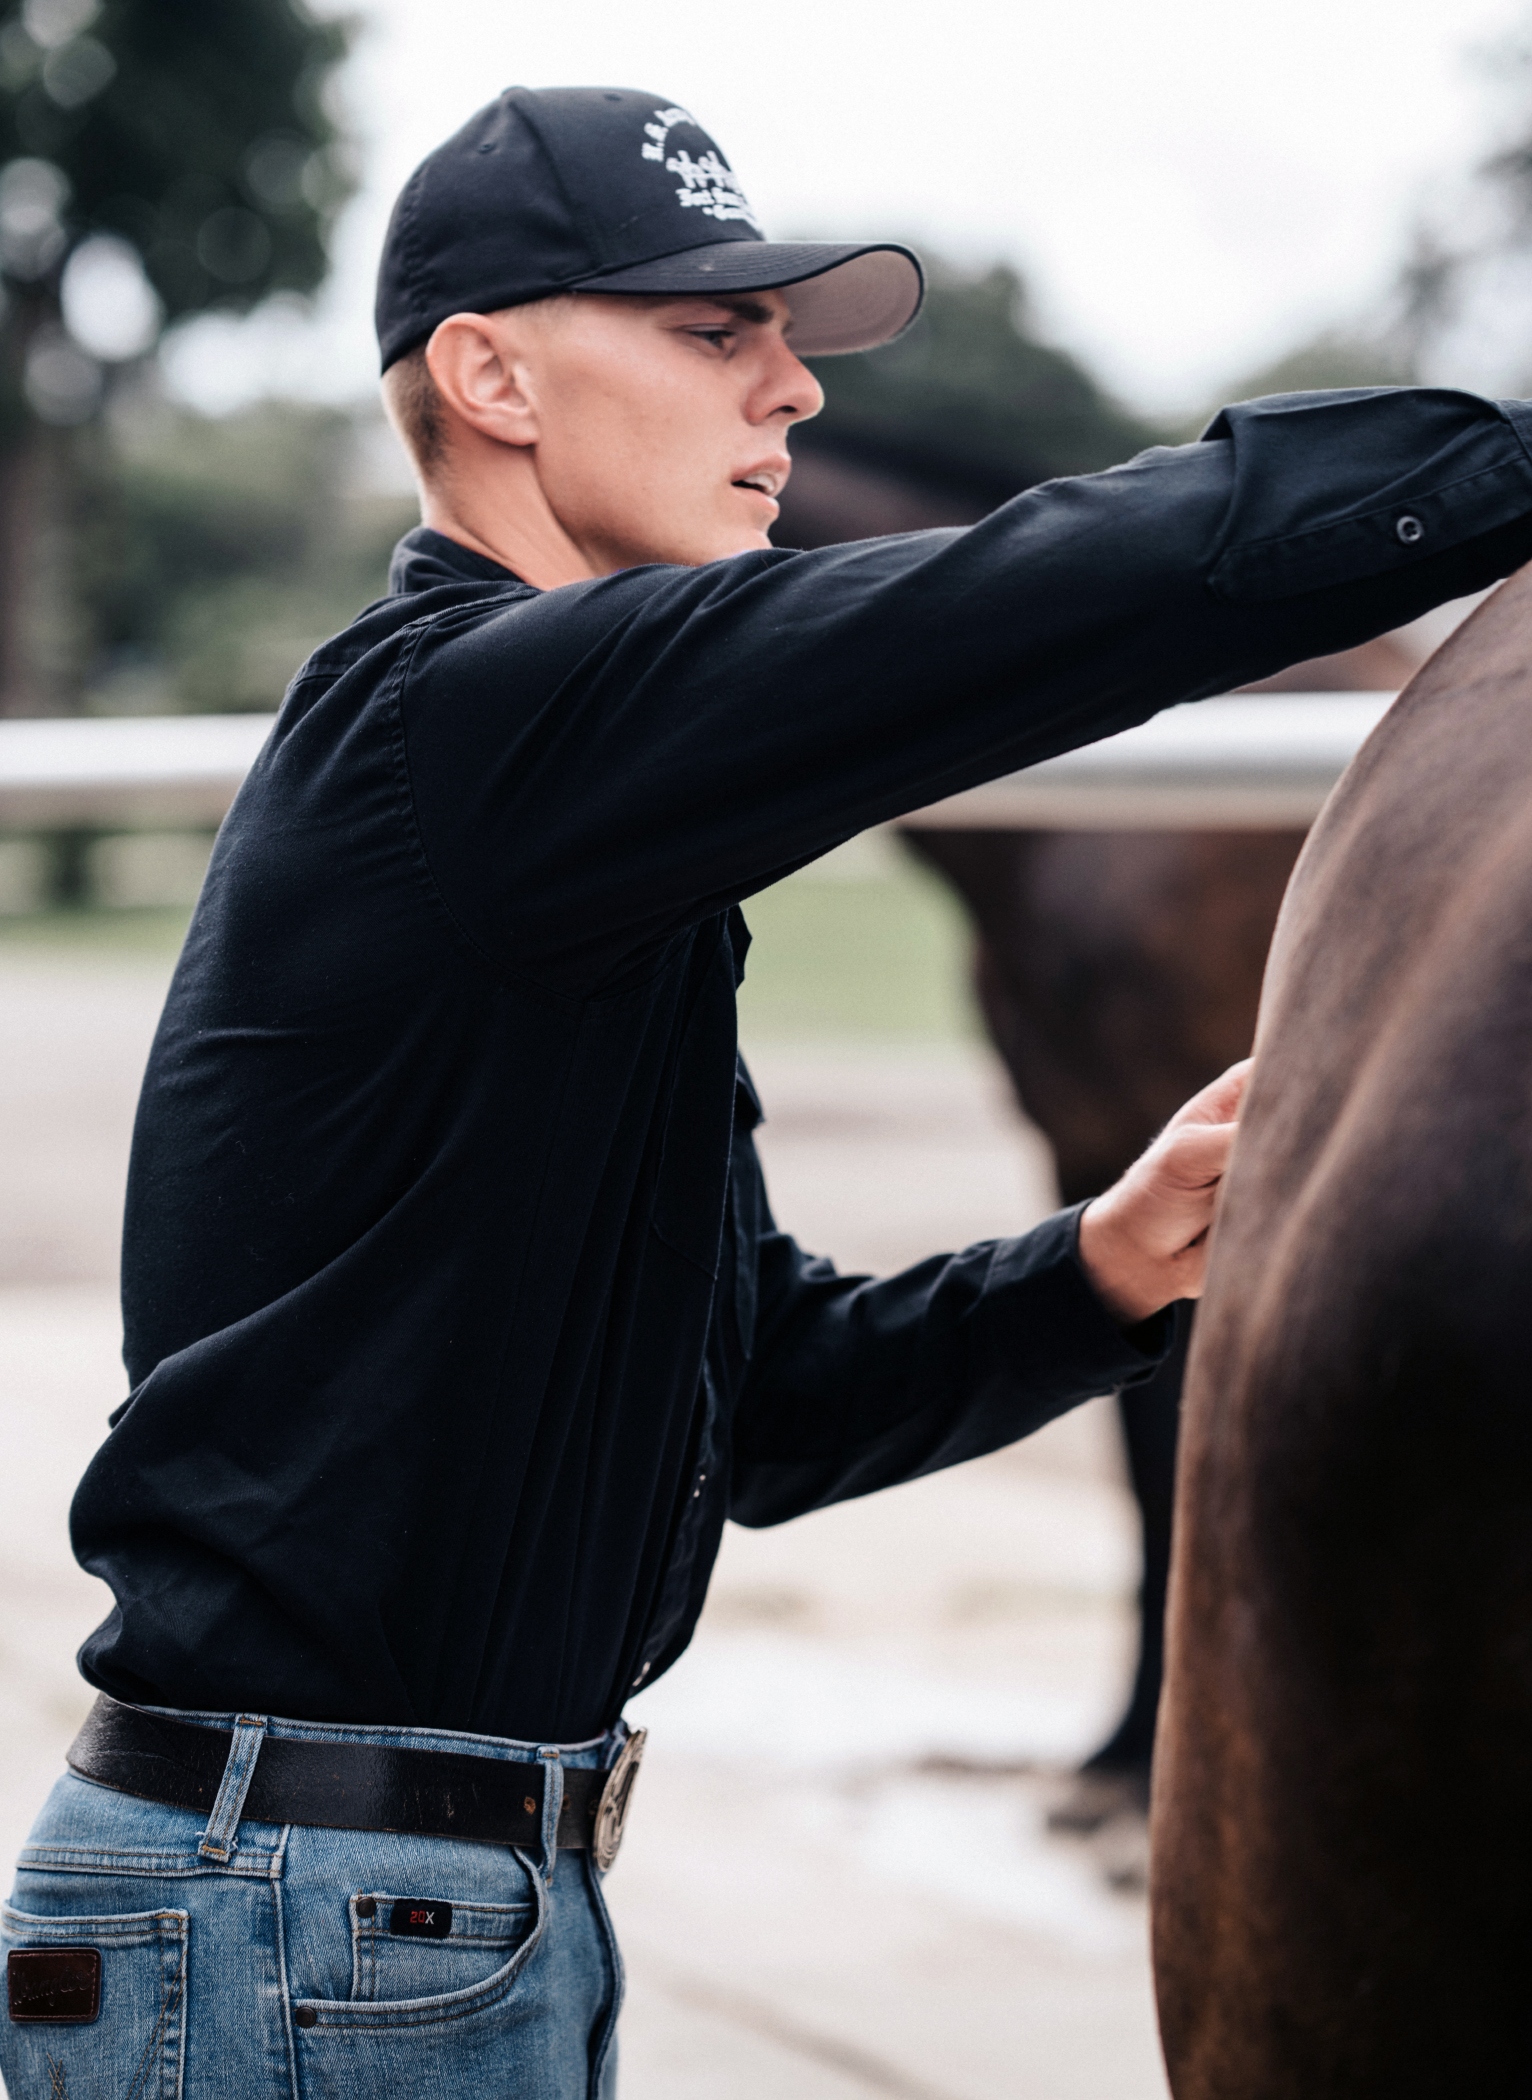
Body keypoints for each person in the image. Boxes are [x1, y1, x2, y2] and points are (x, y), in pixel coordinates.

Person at [4, 85, 1532, 2099]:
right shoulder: (475, 725)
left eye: (789, 339)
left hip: (392, 1914)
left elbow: (759, 1399)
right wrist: (1480, 467)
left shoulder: (563, 831)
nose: (793, 393)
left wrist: (1096, 1267)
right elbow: (1059, 591)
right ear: (490, 375)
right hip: (302, 1925)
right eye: (717, 336)